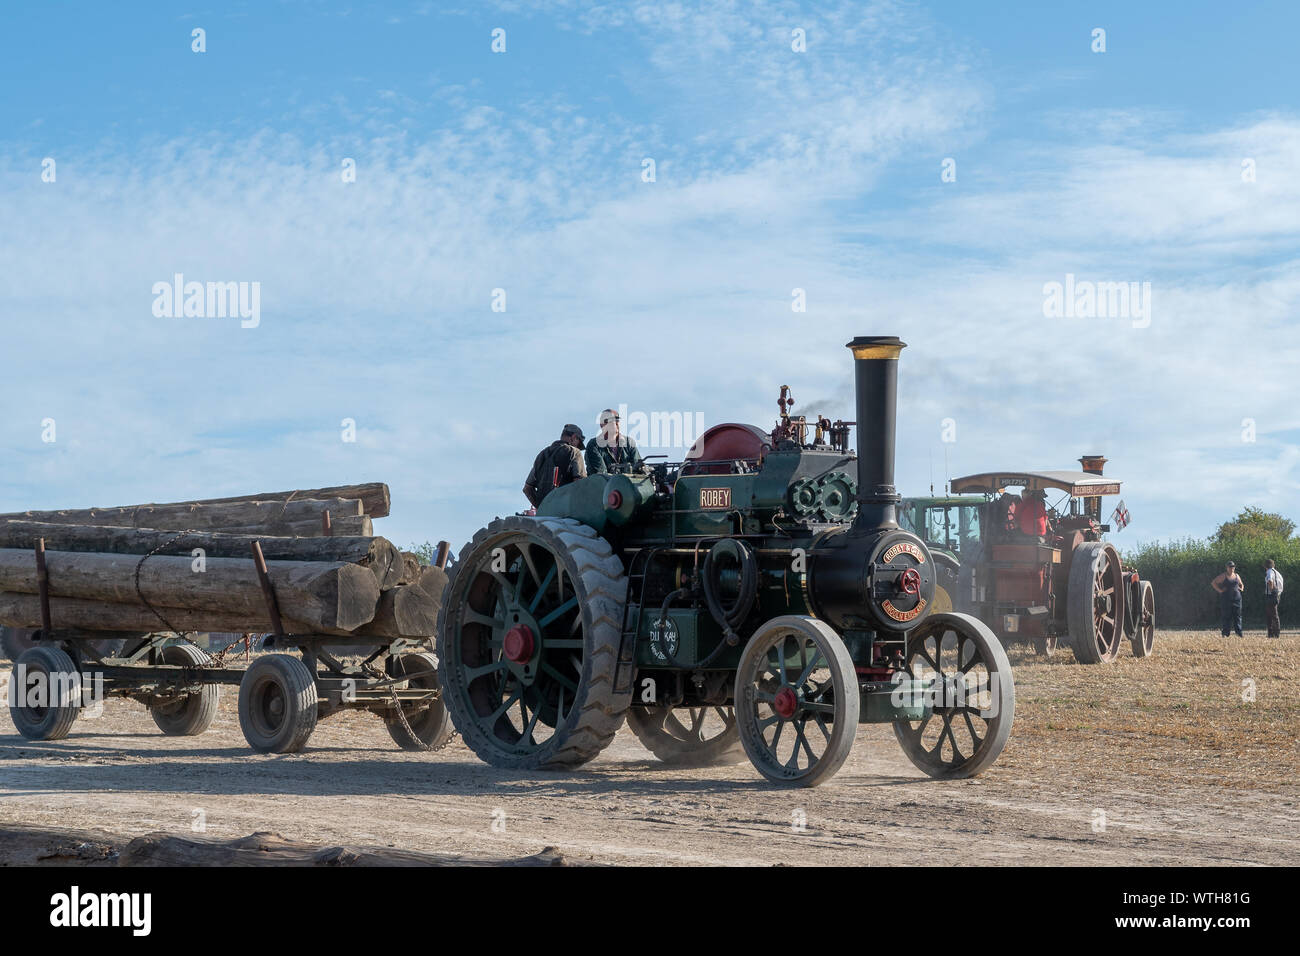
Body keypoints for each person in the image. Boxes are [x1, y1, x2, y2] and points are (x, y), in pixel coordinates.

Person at [523, 424, 587, 508]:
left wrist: (541, 508)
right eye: (578, 443)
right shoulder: (574, 452)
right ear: (574, 437)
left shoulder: (542, 455)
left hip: (544, 517)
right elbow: (580, 483)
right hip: (564, 514)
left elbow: (527, 489)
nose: (577, 446)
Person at [585, 408, 644, 475]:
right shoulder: (594, 445)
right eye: (611, 420)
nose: (616, 423)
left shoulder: (629, 442)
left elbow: (638, 468)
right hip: (604, 484)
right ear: (602, 425)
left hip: (628, 484)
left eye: (617, 420)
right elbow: (601, 474)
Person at [1211, 560, 1245, 638]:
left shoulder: (1237, 575)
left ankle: (1239, 634)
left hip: (1237, 599)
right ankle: (1225, 634)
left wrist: (1241, 589)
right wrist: (1220, 591)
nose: (1231, 568)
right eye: (1230, 567)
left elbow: (1241, 584)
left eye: (1233, 567)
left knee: (1238, 617)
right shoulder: (1223, 576)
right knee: (1226, 617)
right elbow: (1213, 583)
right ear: (1227, 568)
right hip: (1226, 600)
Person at [1264, 558, 1284, 639]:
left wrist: (1271, 591)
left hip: (1272, 594)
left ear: (1265, 566)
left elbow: (1270, 581)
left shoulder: (1269, 572)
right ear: (1273, 565)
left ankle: (1274, 634)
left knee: (1272, 615)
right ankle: (1272, 633)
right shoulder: (1277, 573)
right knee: (1272, 614)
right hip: (1277, 594)